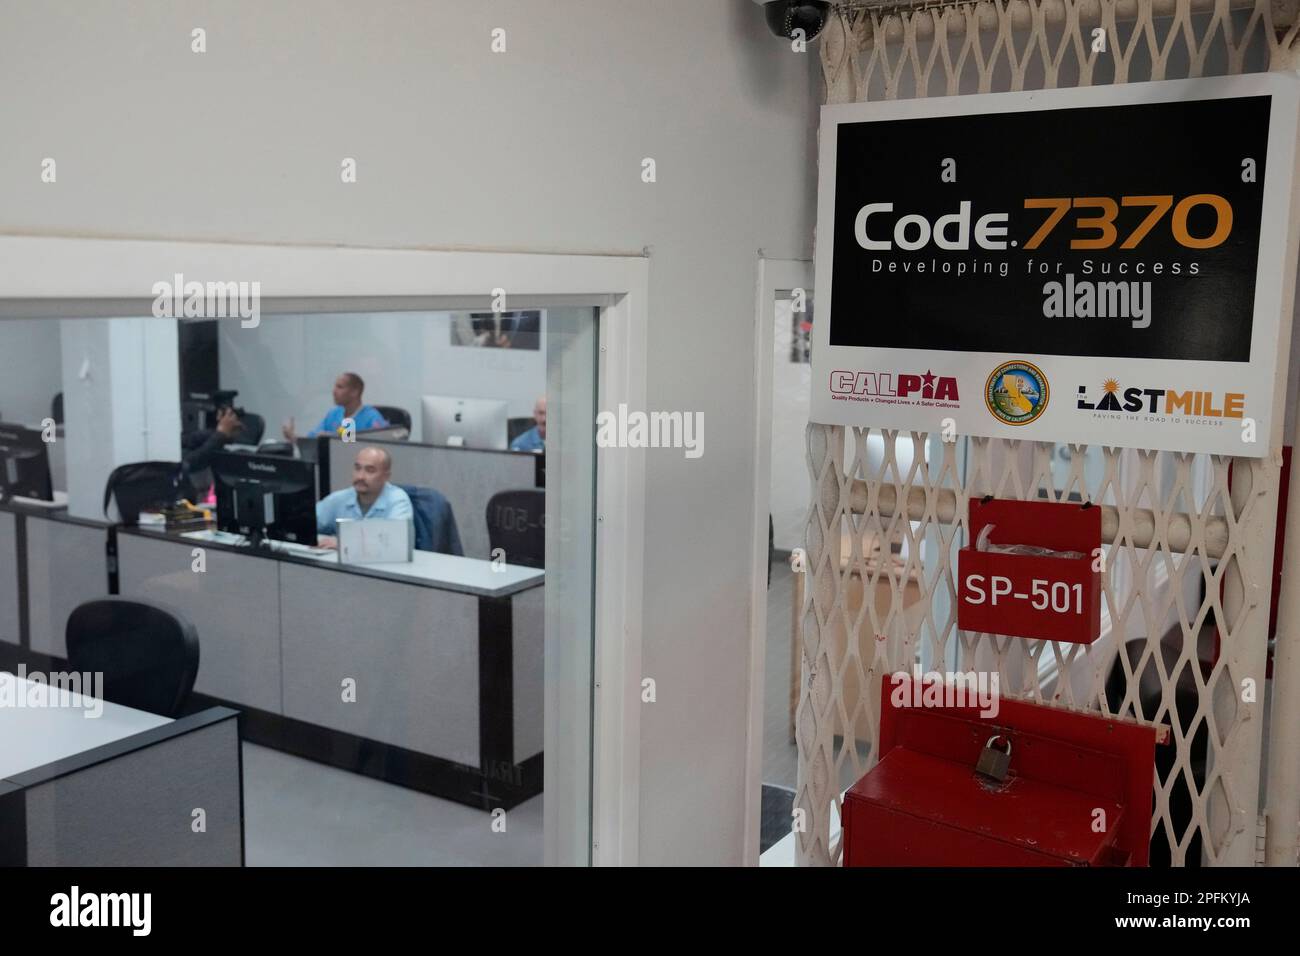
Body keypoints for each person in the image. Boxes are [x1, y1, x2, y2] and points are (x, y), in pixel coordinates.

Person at [315, 446, 412, 549]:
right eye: (357, 468)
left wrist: (344, 542)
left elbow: (396, 540)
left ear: (386, 476)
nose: (360, 476)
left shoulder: (398, 500)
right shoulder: (341, 498)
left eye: (370, 470)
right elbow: (308, 522)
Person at [283, 372, 389, 441]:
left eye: (340, 387)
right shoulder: (333, 414)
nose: (334, 391)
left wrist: (331, 437)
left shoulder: (371, 417)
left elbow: (382, 446)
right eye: (335, 387)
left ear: (354, 392)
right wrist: (293, 437)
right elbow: (312, 440)